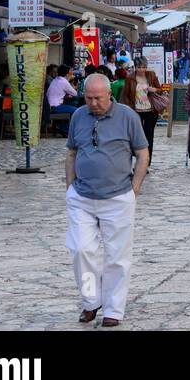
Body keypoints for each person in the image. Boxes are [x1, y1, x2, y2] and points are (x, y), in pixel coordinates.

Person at [64, 73, 149, 328]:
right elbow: (71, 153)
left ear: (109, 95)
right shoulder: (78, 116)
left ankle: (113, 309)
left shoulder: (128, 117)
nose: (93, 103)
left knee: (117, 257)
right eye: (88, 98)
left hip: (118, 196)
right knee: (81, 250)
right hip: (82, 197)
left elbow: (142, 154)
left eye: (97, 98)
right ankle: (91, 302)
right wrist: (70, 188)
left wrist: (134, 189)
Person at [119, 56, 166, 164]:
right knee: (136, 137)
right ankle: (137, 160)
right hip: (136, 111)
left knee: (149, 136)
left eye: (144, 67)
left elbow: (160, 90)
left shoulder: (151, 75)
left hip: (151, 110)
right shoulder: (130, 78)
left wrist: (154, 89)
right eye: (139, 67)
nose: (142, 70)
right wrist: (126, 110)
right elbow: (125, 96)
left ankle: (146, 163)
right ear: (135, 67)